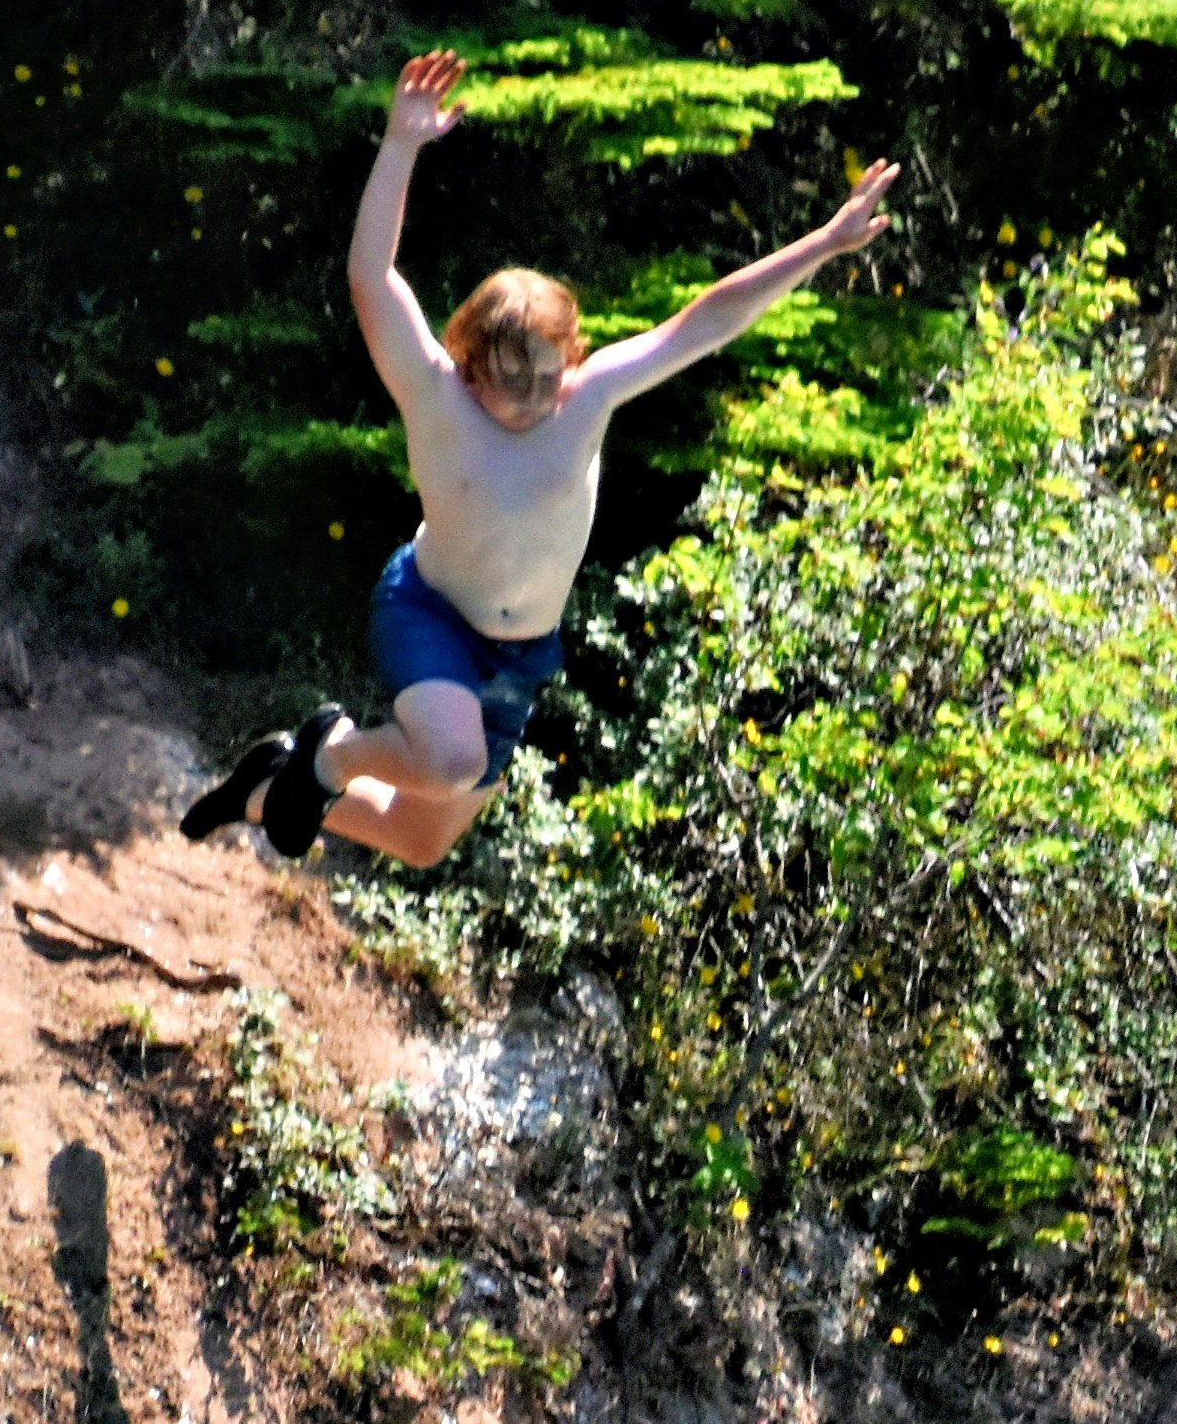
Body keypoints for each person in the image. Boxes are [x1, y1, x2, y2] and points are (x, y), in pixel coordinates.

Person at [182, 48, 898, 865]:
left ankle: (263, 789)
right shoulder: (435, 395)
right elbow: (370, 278)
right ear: (468, 364)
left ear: (572, 359)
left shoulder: (588, 398)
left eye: (546, 379)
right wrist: (401, 144)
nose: (530, 400)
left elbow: (707, 319)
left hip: (521, 654)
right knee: (452, 762)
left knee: (420, 839)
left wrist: (824, 243)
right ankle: (329, 754)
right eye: (508, 383)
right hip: (429, 612)